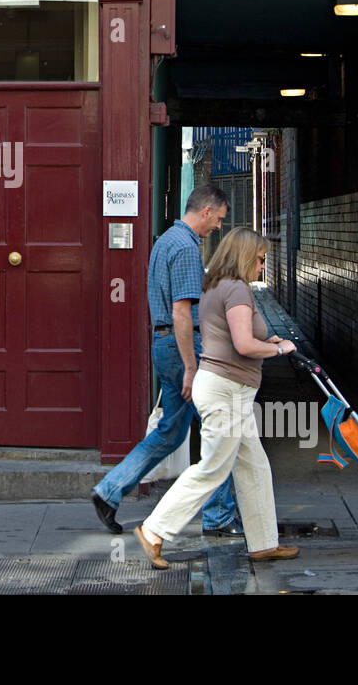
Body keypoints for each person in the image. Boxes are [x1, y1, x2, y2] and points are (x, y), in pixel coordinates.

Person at [133, 226, 300, 568]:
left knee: (255, 466)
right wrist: (280, 348)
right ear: (243, 257)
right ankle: (154, 530)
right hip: (227, 392)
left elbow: (230, 340)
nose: (262, 266)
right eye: (259, 259)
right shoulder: (237, 290)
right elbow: (242, 344)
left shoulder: (214, 286)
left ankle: (264, 542)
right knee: (211, 469)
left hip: (227, 389)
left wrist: (265, 344)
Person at [90, 184, 241, 537]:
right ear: (206, 211)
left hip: (164, 344)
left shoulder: (164, 242)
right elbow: (182, 313)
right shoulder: (187, 248)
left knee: (171, 432)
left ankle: (110, 490)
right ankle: (219, 517)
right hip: (184, 348)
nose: (218, 226)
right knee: (219, 427)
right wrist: (192, 366)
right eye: (218, 219)